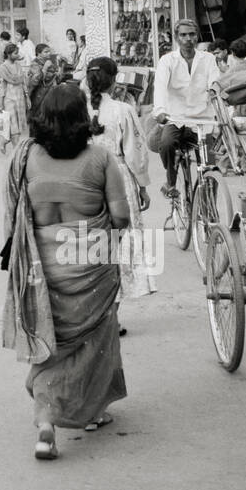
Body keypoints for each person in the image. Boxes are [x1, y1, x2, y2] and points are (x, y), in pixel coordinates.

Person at [3, 85, 130, 461]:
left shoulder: (25, 158)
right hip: (92, 264)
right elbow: (121, 217)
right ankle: (73, 414)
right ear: (82, 118)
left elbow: (14, 217)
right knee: (96, 337)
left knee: (50, 338)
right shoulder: (101, 158)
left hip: (42, 268)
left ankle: (55, 420)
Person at [83, 56, 155, 307]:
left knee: (91, 239)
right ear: (114, 81)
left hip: (85, 179)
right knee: (122, 239)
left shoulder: (77, 108)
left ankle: (94, 303)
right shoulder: (123, 110)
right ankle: (113, 305)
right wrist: (142, 186)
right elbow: (136, 153)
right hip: (118, 176)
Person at [152, 18, 221, 197]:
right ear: (176, 38)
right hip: (175, 118)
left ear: (197, 36)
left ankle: (209, 208)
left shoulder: (208, 59)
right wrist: (160, 111)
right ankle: (170, 181)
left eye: (191, 34)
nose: (188, 38)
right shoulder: (167, 60)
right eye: (183, 35)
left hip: (202, 118)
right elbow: (159, 86)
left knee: (209, 166)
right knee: (167, 144)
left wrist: (216, 93)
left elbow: (216, 83)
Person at [0, 43, 28, 154]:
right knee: (13, 126)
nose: (17, 55)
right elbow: (1, 87)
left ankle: (5, 141)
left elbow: (23, 82)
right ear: (8, 54)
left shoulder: (18, 65)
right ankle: (16, 151)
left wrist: (27, 97)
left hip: (20, 98)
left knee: (17, 125)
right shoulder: (3, 68)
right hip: (9, 99)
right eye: (15, 53)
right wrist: (0, 103)